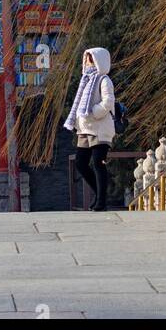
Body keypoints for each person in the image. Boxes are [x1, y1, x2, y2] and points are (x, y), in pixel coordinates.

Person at [63, 47, 116, 212]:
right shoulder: (85, 80)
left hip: (100, 127)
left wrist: (93, 112)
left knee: (98, 164)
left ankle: (101, 201)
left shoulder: (103, 79)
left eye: (90, 58)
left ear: (98, 60)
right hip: (85, 129)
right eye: (86, 58)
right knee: (81, 163)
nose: (86, 61)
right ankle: (99, 195)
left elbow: (108, 102)